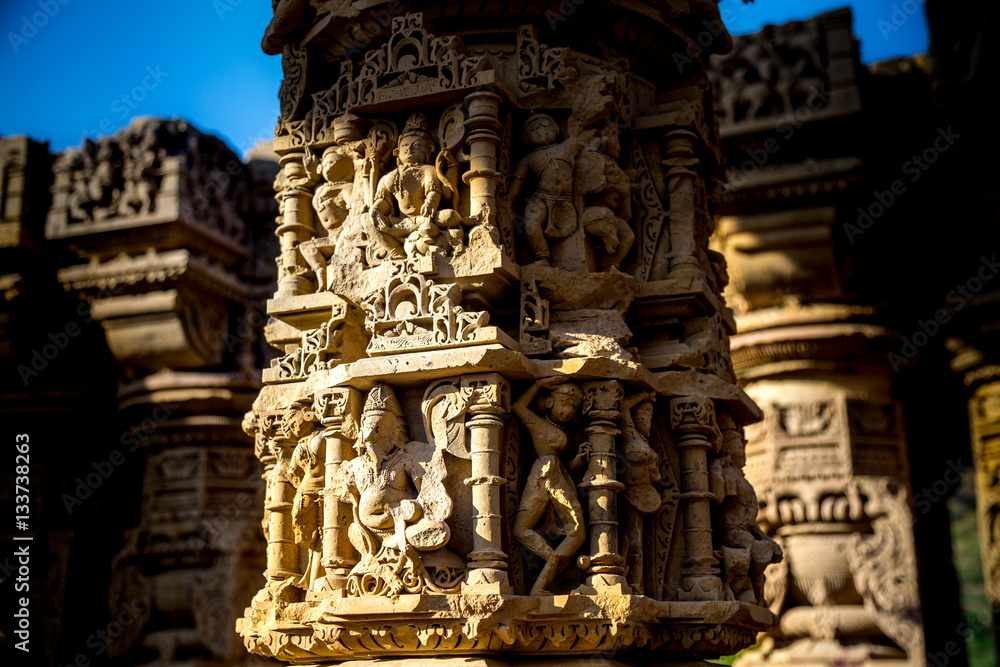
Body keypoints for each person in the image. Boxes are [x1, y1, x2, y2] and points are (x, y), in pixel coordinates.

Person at [512, 377, 587, 595]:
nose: (567, 410)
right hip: (545, 472)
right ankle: (549, 563)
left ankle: (542, 581)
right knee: (522, 529)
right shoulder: (537, 424)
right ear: (549, 402)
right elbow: (518, 406)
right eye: (564, 402)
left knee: (577, 534)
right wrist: (538, 385)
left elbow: (570, 465)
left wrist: (580, 460)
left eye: (573, 407)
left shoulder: (556, 429)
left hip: (557, 472)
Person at [366, 113, 462, 259]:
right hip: (401, 222)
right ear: (397, 151)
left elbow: (434, 191)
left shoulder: (428, 170)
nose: (409, 149)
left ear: (428, 149)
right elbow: (384, 201)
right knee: (367, 219)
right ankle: (396, 250)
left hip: (425, 218)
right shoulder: (390, 176)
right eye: (404, 145)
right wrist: (376, 209)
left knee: (450, 216)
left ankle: (411, 236)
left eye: (416, 145)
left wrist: (430, 202)